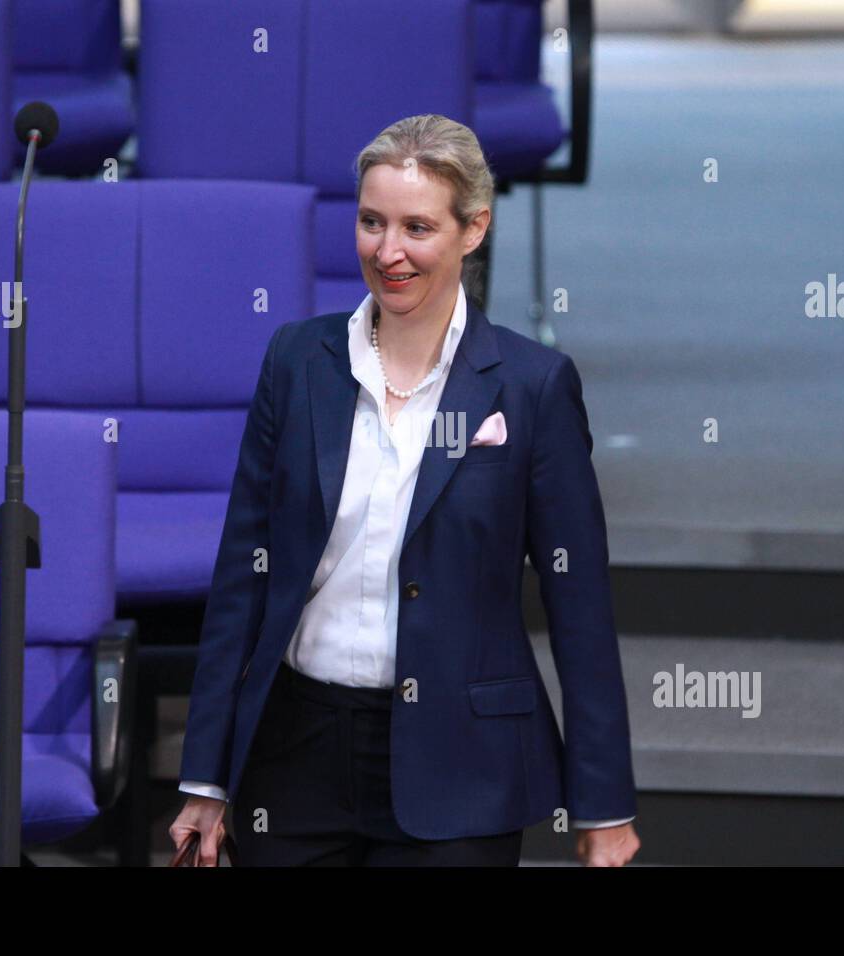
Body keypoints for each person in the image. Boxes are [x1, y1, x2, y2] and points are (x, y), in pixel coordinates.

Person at [169, 114, 640, 866]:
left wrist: (604, 801)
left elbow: (577, 605)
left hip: (462, 762)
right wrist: (208, 777)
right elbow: (241, 581)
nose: (388, 252)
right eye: (370, 222)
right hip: (295, 757)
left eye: (417, 227)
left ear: (473, 228)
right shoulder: (297, 362)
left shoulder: (532, 388)